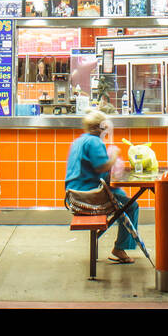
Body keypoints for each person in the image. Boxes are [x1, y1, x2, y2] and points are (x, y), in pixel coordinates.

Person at [65, 109, 137, 264]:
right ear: (99, 127)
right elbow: (102, 167)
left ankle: (120, 245)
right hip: (88, 196)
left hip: (73, 195)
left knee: (120, 195)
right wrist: (114, 156)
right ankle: (120, 248)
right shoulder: (94, 142)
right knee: (131, 205)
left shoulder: (78, 141)